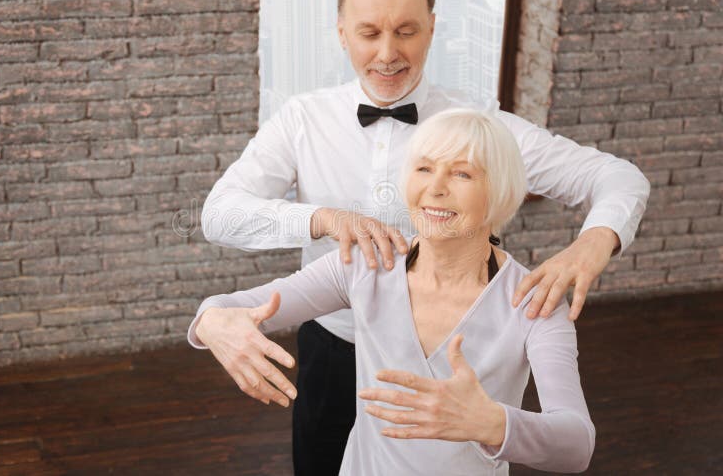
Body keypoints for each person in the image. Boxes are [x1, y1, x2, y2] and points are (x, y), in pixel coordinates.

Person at [200, 0, 648, 474]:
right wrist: (322, 219)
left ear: (433, 28)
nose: (388, 53)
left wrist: (593, 243)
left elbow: (618, 177)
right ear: (341, 31)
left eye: (406, 31)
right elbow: (220, 214)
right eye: (369, 32)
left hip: (459, 348)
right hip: (331, 342)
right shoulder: (302, 120)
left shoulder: (480, 129)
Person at [190, 108, 595, 475]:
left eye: (462, 173)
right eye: (424, 168)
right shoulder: (367, 266)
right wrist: (211, 321)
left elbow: (577, 444)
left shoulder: (535, 302)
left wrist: (491, 422)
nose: (435, 188)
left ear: (500, 192)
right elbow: (232, 308)